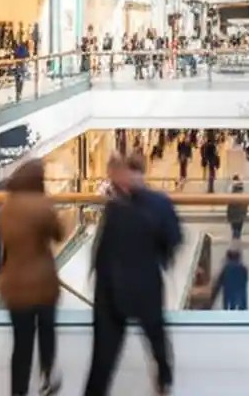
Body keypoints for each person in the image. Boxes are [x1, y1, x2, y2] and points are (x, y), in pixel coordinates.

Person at [85, 155, 182, 396]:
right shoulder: (151, 204)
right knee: (153, 339)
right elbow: (172, 239)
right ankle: (164, 378)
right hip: (138, 287)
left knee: (106, 359)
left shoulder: (120, 207)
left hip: (117, 291)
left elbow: (103, 250)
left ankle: (163, 377)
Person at [0, 160, 65, 396]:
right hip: (42, 282)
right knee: (46, 331)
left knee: (21, 344)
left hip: (14, 284)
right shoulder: (42, 205)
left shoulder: (6, 208)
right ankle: (47, 376)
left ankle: (18, 391)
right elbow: (58, 234)